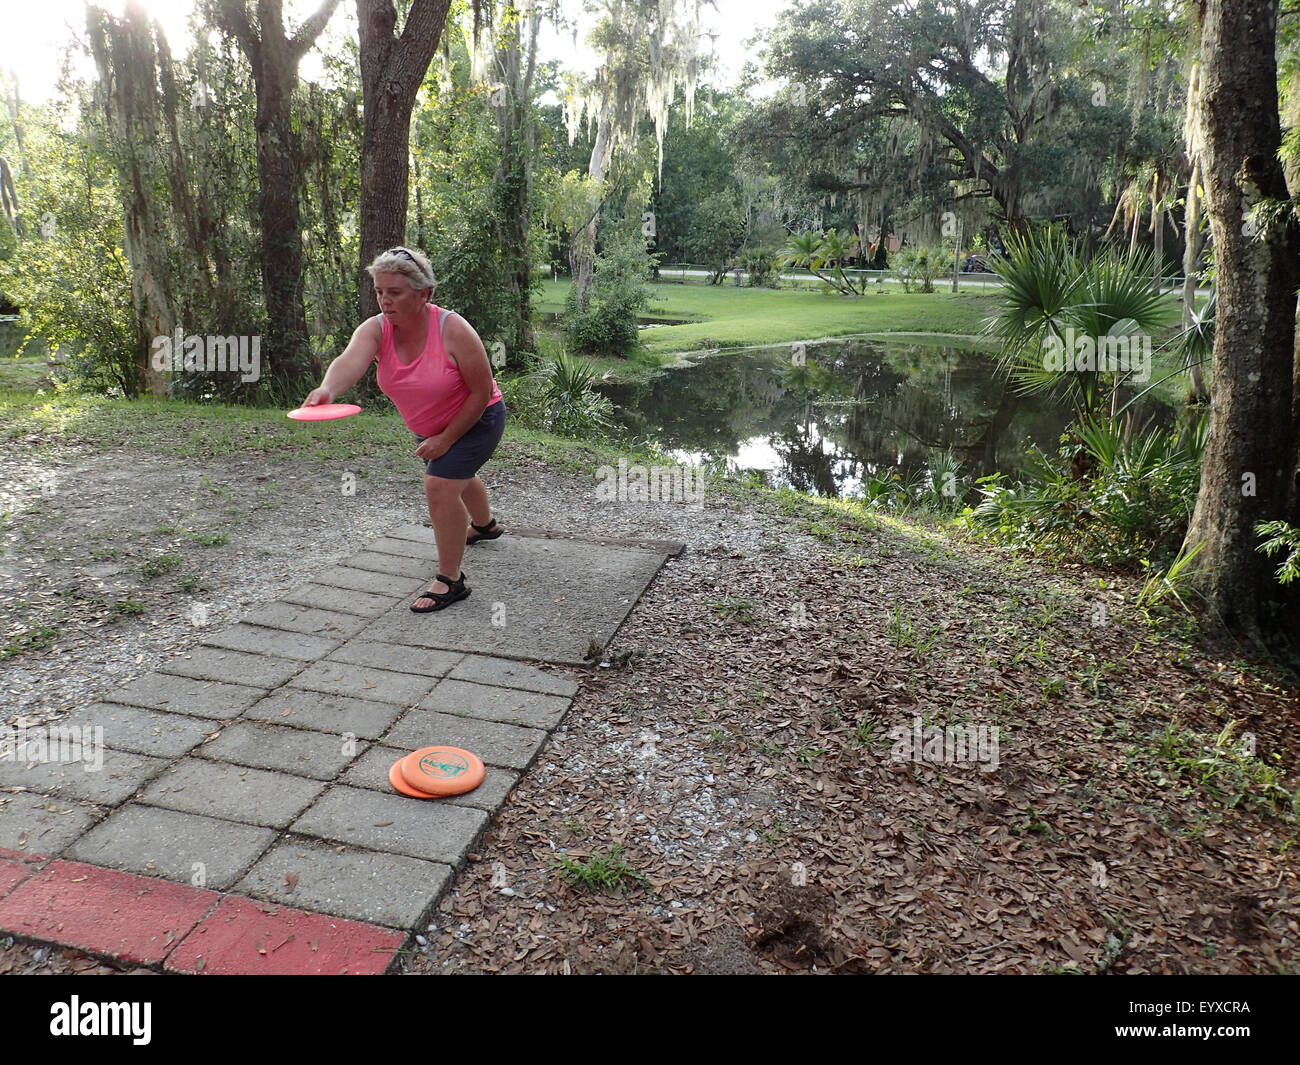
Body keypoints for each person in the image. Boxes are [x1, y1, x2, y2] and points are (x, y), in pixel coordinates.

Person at [302, 246, 507, 612]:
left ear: (424, 293)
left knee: (440, 484)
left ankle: (451, 580)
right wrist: (328, 389)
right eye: (380, 291)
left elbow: (480, 391)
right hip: (431, 426)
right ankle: (486, 526)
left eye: (394, 292)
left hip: (478, 419)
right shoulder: (378, 330)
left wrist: (446, 439)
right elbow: (350, 360)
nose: (384, 300)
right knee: (455, 475)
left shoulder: (453, 329)